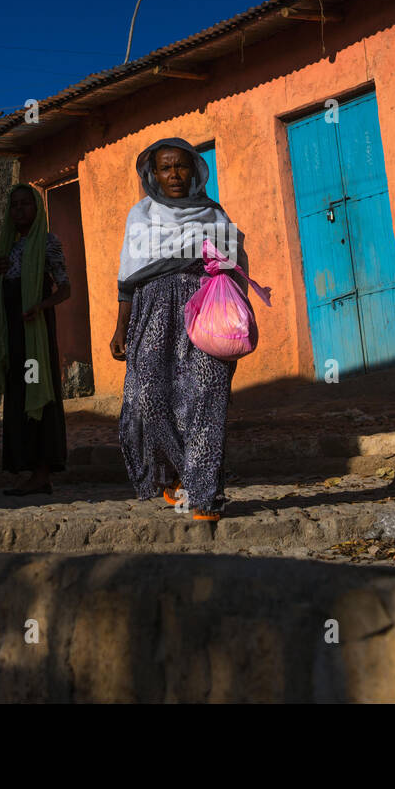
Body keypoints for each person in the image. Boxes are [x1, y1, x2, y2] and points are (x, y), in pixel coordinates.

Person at [112, 137, 256, 521]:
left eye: (181, 166)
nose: (174, 174)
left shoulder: (212, 213)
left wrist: (236, 314)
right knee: (148, 397)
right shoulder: (140, 216)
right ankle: (172, 473)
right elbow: (128, 278)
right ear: (153, 174)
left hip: (205, 311)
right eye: (165, 167)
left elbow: (235, 266)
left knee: (208, 392)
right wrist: (120, 328)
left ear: (194, 169)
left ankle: (204, 493)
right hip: (152, 312)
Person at [0, 184, 70, 495]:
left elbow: (65, 288)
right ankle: (31, 471)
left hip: (35, 337)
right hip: (15, 338)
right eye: (14, 205)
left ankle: (42, 471)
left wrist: (40, 306)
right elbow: (3, 286)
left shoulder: (47, 244)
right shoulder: (7, 247)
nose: (19, 210)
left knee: (38, 394)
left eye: (25, 204)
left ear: (37, 209)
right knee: (19, 395)